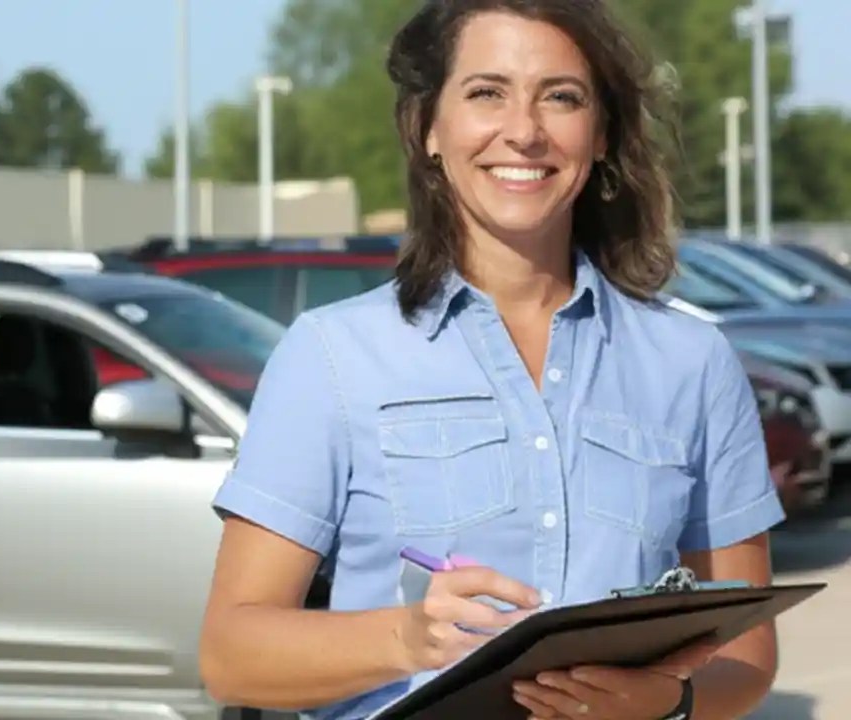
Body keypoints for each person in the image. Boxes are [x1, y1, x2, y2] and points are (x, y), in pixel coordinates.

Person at [197, 1, 785, 719]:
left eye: (561, 97)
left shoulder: (694, 363)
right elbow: (231, 657)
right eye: (486, 93)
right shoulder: (329, 356)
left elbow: (747, 655)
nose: (525, 131)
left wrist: (666, 703)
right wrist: (408, 638)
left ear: (600, 135)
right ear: (427, 130)